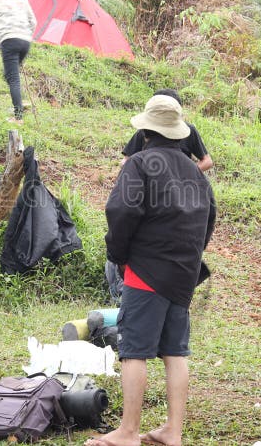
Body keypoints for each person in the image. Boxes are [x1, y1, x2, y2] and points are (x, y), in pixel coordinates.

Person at [88, 95, 216, 446]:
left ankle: (128, 432)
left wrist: (119, 254)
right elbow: (209, 220)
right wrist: (190, 256)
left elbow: (121, 212)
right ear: (178, 133)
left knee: (134, 350)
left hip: (145, 270)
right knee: (176, 351)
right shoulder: (195, 171)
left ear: (146, 130)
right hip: (184, 273)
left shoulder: (140, 164)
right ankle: (172, 431)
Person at [121, 88, 213, 172]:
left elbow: (207, 161)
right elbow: (126, 161)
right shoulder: (144, 130)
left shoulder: (189, 131)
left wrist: (185, 175)